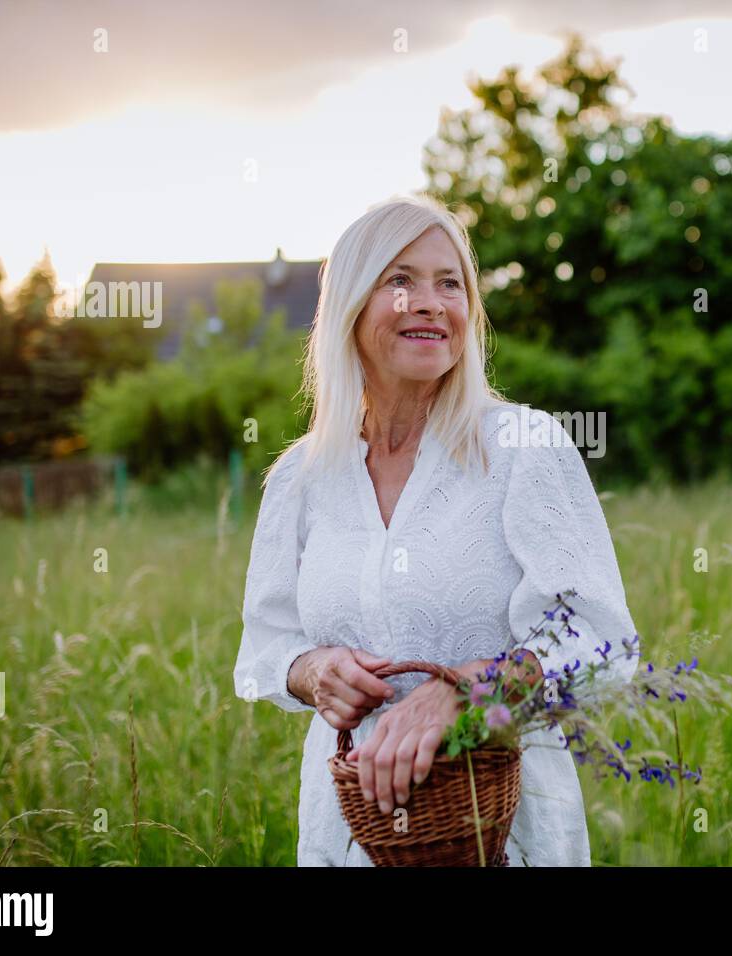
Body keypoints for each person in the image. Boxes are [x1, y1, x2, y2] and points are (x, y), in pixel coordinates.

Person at [232, 193, 640, 865]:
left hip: (501, 827)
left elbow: (603, 640)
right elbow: (267, 648)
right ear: (351, 307)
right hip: (350, 828)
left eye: (449, 283)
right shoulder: (299, 479)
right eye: (400, 281)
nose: (430, 302)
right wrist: (313, 671)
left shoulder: (522, 448)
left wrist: (470, 690)